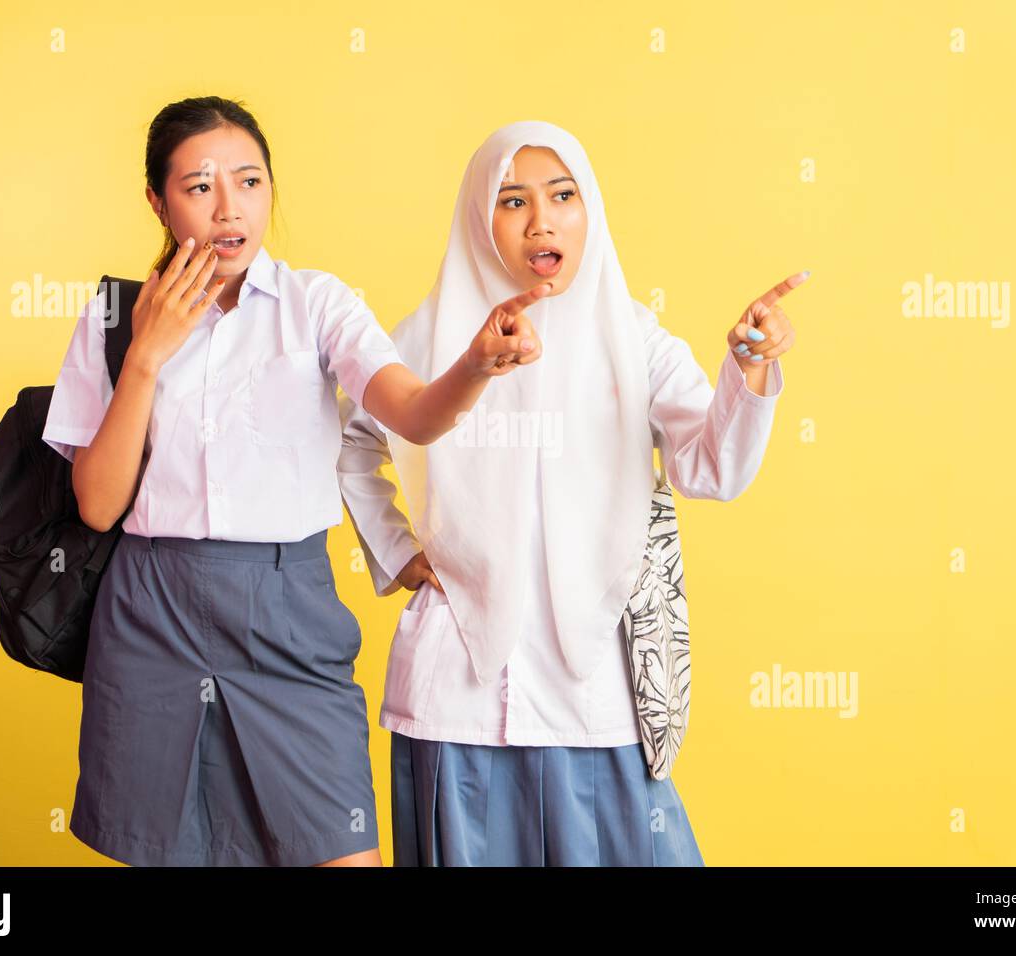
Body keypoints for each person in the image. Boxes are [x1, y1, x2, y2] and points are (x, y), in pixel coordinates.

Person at [40, 97, 543, 867]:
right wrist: (146, 355)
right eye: (199, 187)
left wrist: (474, 366)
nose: (229, 208)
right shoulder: (114, 314)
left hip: (286, 605)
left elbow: (409, 413)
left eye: (249, 181)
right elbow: (99, 503)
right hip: (151, 612)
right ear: (157, 200)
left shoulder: (316, 305)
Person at [337, 120, 803, 865]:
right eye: (511, 200)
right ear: (477, 217)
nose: (541, 220)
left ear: (591, 210)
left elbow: (711, 468)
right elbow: (350, 443)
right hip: (456, 695)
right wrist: (397, 552)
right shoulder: (429, 336)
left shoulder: (636, 341)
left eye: (562, 195)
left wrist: (746, 371)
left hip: (599, 691)